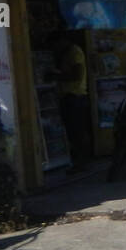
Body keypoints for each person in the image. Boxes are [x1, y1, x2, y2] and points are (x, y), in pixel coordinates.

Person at [51, 31, 91, 167]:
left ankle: (82, 162)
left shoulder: (74, 52)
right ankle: (81, 161)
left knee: (77, 131)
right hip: (72, 97)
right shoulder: (68, 53)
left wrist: (57, 76)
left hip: (75, 96)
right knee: (75, 131)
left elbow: (77, 74)